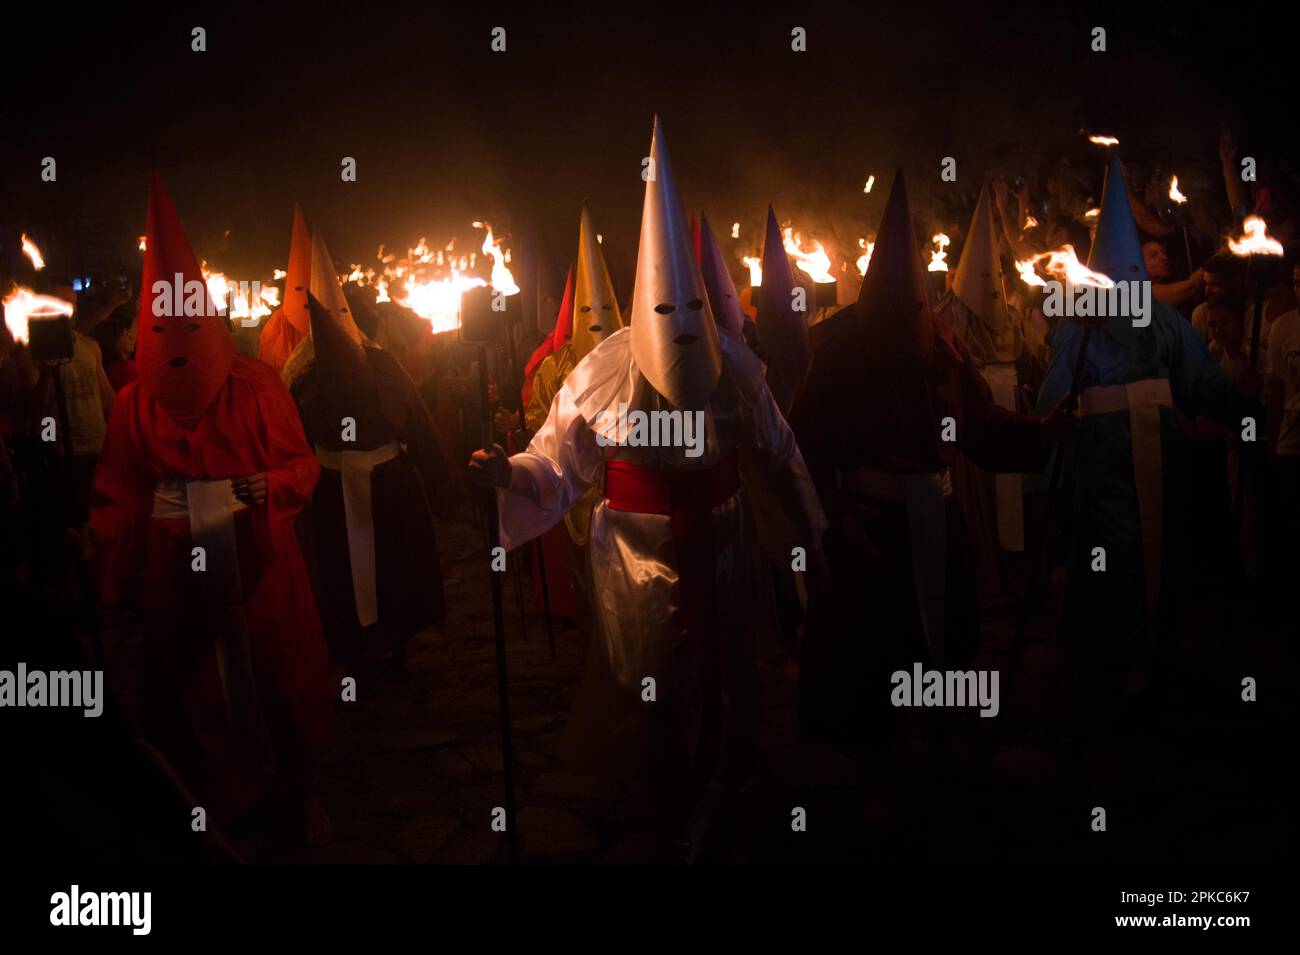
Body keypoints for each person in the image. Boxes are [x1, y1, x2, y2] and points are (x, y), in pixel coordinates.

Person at [470, 118, 826, 859]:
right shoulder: (601, 369)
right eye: (665, 313)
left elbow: (779, 448)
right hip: (633, 553)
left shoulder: (735, 362)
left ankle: (724, 788)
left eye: (688, 311)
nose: (681, 330)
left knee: (725, 668)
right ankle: (658, 798)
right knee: (647, 679)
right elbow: (558, 464)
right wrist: (507, 474)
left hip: (721, 539)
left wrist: (809, 534)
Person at [83, 175, 333, 847]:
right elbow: (123, 489)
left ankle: (293, 789)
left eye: (191, 327)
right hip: (178, 567)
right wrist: (97, 534)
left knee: (274, 671)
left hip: (256, 554)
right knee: (192, 687)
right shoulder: (136, 403)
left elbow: (303, 465)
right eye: (164, 331)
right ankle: (208, 802)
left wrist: (266, 485)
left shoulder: (257, 388)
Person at [789, 169, 1072, 752]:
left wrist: (1045, 432)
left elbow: (983, 427)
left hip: (939, 521)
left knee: (944, 634)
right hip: (869, 527)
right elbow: (806, 445)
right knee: (871, 643)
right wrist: (836, 513)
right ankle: (874, 757)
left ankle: (940, 745)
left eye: (913, 303)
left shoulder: (942, 345)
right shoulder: (839, 353)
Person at [1034, 156, 1259, 703]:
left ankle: (1136, 650)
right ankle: (1129, 649)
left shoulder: (1106, 321)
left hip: (1137, 444)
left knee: (1134, 543)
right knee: (1125, 544)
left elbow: (1051, 403)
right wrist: (1241, 411)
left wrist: (1241, 409)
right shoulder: (1096, 322)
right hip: (1120, 447)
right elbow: (1054, 403)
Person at [287, 287, 448, 670]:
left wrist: (440, 481)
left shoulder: (385, 367)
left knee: (391, 561)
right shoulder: (306, 377)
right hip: (334, 485)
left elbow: (416, 423)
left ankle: (393, 641)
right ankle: (353, 643)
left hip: (385, 484)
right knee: (341, 564)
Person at [937, 182, 1050, 600]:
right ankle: (988, 580)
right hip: (976, 408)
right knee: (980, 497)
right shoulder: (946, 320)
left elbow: (1041, 357)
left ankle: (1015, 580)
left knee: (1014, 496)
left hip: (1007, 406)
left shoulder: (1014, 316)